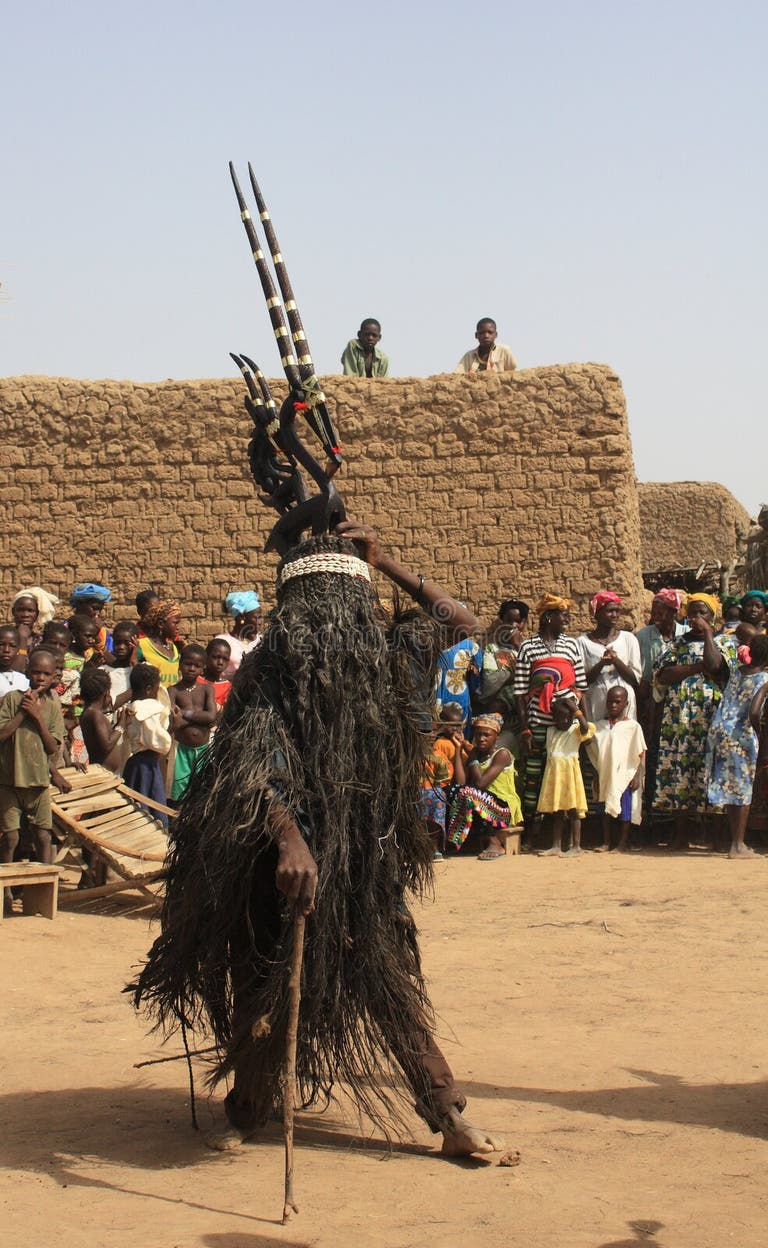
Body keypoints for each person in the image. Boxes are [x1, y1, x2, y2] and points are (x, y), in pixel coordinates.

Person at [133, 522, 503, 1158]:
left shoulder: (387, 654)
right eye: (316, 600)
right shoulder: (268, 671)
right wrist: (287, 839)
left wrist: (386, 563)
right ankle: (250, 1100)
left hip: (362, 859)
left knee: (385, 977)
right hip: (274, 862)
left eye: (343, 596)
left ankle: (446, 1112)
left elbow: (462, 623)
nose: (330, 615)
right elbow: (250, 766)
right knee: (263, 984)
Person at [653, 593, 737, 845]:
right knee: (681, 766)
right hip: (680, 716)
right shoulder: (678, 643)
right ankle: (681, 834)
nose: (696, 617)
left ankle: (716, 836)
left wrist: (709, 633)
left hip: (710, 713)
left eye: (703, 612)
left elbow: (716, 665)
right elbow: (664, 674)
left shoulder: (724, 642)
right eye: (692, 612)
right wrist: (697, 668)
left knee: (711, 766)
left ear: (712, 616)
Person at [512, 594, 587, 824]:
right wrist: (525, 730)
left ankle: (559, 830)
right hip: (538, 722)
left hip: (565, 725)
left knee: (562, 776)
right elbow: (520, 693)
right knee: (534, 776)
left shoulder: (572, 645)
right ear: (547, 617)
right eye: (562, 615)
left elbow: (581, 687)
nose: (567, 619)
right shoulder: (528, 647)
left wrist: (584, 723)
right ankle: (532, 828)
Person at [0, 649, 64, 912]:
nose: (40, 678)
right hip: (9, 781)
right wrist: (23, 712)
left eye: (46, 674)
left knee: (43, 836)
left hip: (38, 782)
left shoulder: (52, 706)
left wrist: (36, 715)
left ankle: (41, 895)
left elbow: (52, 747)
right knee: (10, 838)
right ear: (27, 672)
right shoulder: (12, 700)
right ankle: (5, 894)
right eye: (36, 672)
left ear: (53, 677)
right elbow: (2, 734)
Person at [706, 634, 768, 859]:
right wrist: (759, 734)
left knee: (731, 787)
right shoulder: (764, 678)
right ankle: (738, 845)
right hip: (741, 735)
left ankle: (735, 841)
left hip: (719, 731)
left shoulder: (738, 671)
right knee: (743, 789)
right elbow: (755, 711)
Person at [446, 712, 522, 859]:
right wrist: (458, 749)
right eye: (478, 735)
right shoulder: (476, 755)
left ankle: (495, 843)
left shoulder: (502, 755)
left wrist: (473, 756)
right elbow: (461, 783)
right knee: (452, 790)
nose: (481, 738)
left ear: (496, 736)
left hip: (503, 806)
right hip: (482, 802)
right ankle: (456, 842)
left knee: (470, 794)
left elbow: (480, 784)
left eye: (487, 735)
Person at [587, 686, 646, 853]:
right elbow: (594, 754)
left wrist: (636, 776)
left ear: (626, 704)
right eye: (610, 702)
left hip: (625, 775)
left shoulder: (633, 727)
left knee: (625, 810)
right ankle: (606, 842)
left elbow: (640, 753)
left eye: (617, 702)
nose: (613, 705)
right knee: (604, 808)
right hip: (605, 774)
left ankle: (622, 842)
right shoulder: (599, 727)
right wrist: (596, 775)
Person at [536, 693, 595, 857]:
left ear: (572, 717)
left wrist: (575, 709)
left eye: (567, 718)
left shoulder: (575, 730)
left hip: (570, 776)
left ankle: (576, 846)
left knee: (573, 811)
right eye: (559, 718)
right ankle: (556, 845)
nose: (563, 721)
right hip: (554, 777)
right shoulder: (551, 731)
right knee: (558, 813)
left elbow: (586, 728)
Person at [576, 591, 642, 722]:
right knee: (599, 734)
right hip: (596, 702)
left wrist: (616, 661)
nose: (615, 615)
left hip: (624, 703)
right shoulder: (582, 642)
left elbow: (635, 679)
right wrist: (601, 664)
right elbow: (581, 682)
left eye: (617, 611)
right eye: (610, 611)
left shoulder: (628, 639)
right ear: (596, 613)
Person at [120, 663, 172, 824]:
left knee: (135, 805)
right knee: (150, 807)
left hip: (134, 763)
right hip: (146, 766)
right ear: (149, 689)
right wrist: (173, 728)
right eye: (157, 689)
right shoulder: (147, 710)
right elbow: (159, 743)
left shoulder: (129, 708)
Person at [168, 645, 216, 802]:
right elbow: (173, 722)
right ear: (180, 664)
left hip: (204, 749)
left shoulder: (207, 689)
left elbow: (211, 717)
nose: (192, 669)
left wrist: (184, 713)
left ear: (203, 668)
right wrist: (200, 717)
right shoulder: (173, 691)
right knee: (179, 790)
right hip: (181, 749)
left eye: (197, 666)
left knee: (202, 791)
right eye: (188, 664)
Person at [479, 599, 529, 747]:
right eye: (509, 621)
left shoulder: (529, 648)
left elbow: (536, 675)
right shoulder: (492, 649)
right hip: (500, 720)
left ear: (524, 623)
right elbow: (490, 683)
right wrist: (514, 676)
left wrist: (519, 646)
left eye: (518, 621)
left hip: (526, 718)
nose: (513, 625)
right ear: (501, 622)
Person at [435, 633, 482, 733]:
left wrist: (473, 672)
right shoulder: (433, 642)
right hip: (436, 692)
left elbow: (477, 680)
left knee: (458, 728)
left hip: (459, 693)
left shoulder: (472, 648)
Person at [79, 668, 123, 771]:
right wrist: (122, 725)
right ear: (106, 693)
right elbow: (107, 745)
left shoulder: (89, 712)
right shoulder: (95, 714)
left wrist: (118, 724)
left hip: (103, 771)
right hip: (102, 772)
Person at [215, 591, 262, 679]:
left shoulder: (261, 642)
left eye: (260, 617)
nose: (260, 622)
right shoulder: (223, 642)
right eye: (257, 617)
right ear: (241, 618)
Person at [136, 601, 182, 688]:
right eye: (175, 623)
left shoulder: (173, 648)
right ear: (161, 624)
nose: (178, 627)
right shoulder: (142, 645)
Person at [10, 587, 59, 663]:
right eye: (20, 610)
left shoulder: (41, 641)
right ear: (13, 611)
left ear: (37, 613)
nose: (25, 615)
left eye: (30, 611)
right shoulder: (4, 637)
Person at [101, 620, 138, 710]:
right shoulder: (103, 671)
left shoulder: (144, 670)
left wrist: (134, 663)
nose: (121, 647)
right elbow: (108, 705)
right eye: (117, 643)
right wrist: (137, 689)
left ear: (136, 643)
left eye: (127, 643)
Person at [69, 582, 113, 654]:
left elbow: (110, 658)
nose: (97, 613)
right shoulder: (65, 629)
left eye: (100, 610)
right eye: (94, 608)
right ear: (79, 604)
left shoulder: (103, 634)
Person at [198, 638, 233, 719]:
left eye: (225, 659)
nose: (220, 662)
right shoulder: (195, 679)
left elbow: (226, 713)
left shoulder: (227, 687)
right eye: (216, 657)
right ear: (206, 656)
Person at [0, 627, 29, 700]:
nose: (6, 650)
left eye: (12, 646)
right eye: (1, 644)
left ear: (18, 649)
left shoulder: (24, 680)